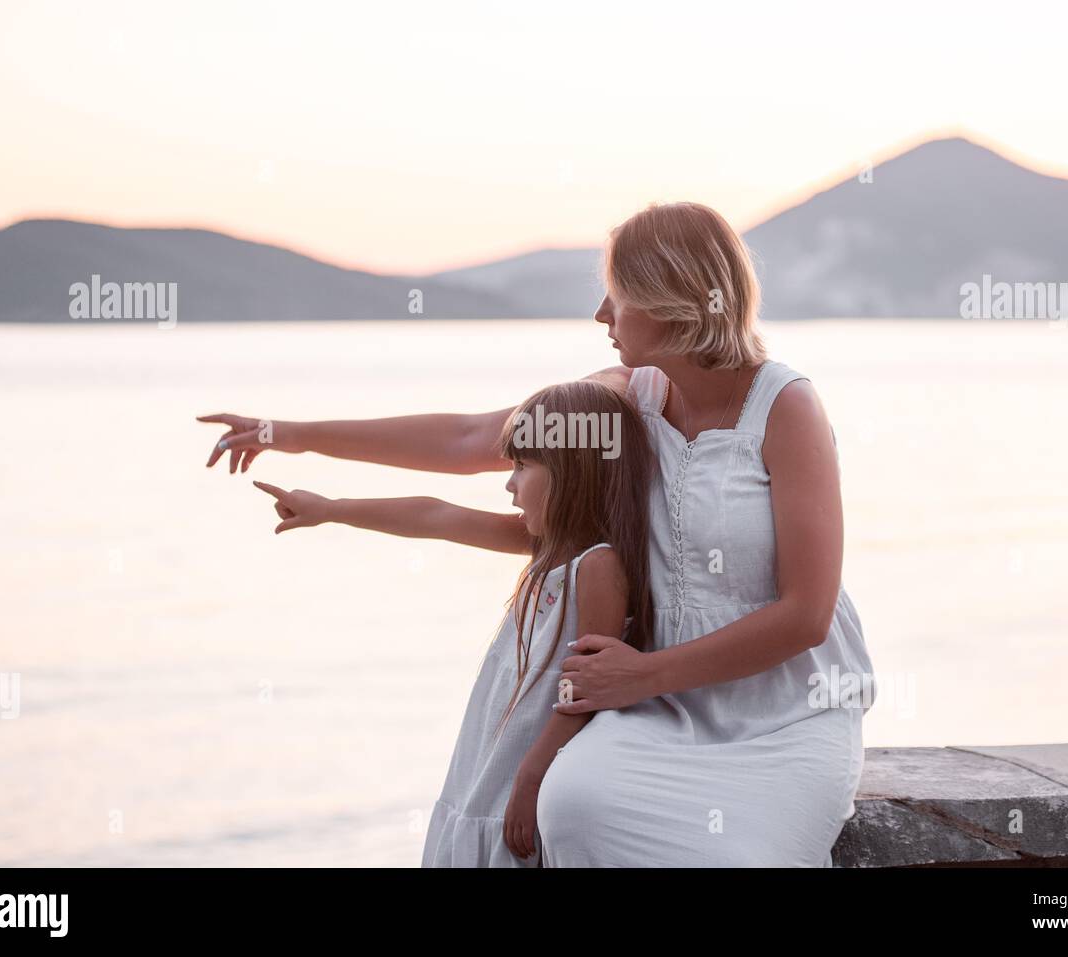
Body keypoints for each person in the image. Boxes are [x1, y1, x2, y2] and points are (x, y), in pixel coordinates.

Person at [199, 201, 877, 866]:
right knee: (572, 803)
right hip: (668, 710)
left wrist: (640, 675)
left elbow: (806, 614)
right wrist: (286, 435)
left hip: (787, 713)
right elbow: (470, 438)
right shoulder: (622, 404)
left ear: (669, 300)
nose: (601, 316)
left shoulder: (784, 406)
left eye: (616, 297)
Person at [246, 380, 655, 866]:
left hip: (524, 777)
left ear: (572, 471)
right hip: (485, 766)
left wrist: (530, 778)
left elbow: (585, 688)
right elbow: (436, 515)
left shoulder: (598, 565)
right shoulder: (547, 549)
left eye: (522, 467)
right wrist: (332, 510)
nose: (509, 484)